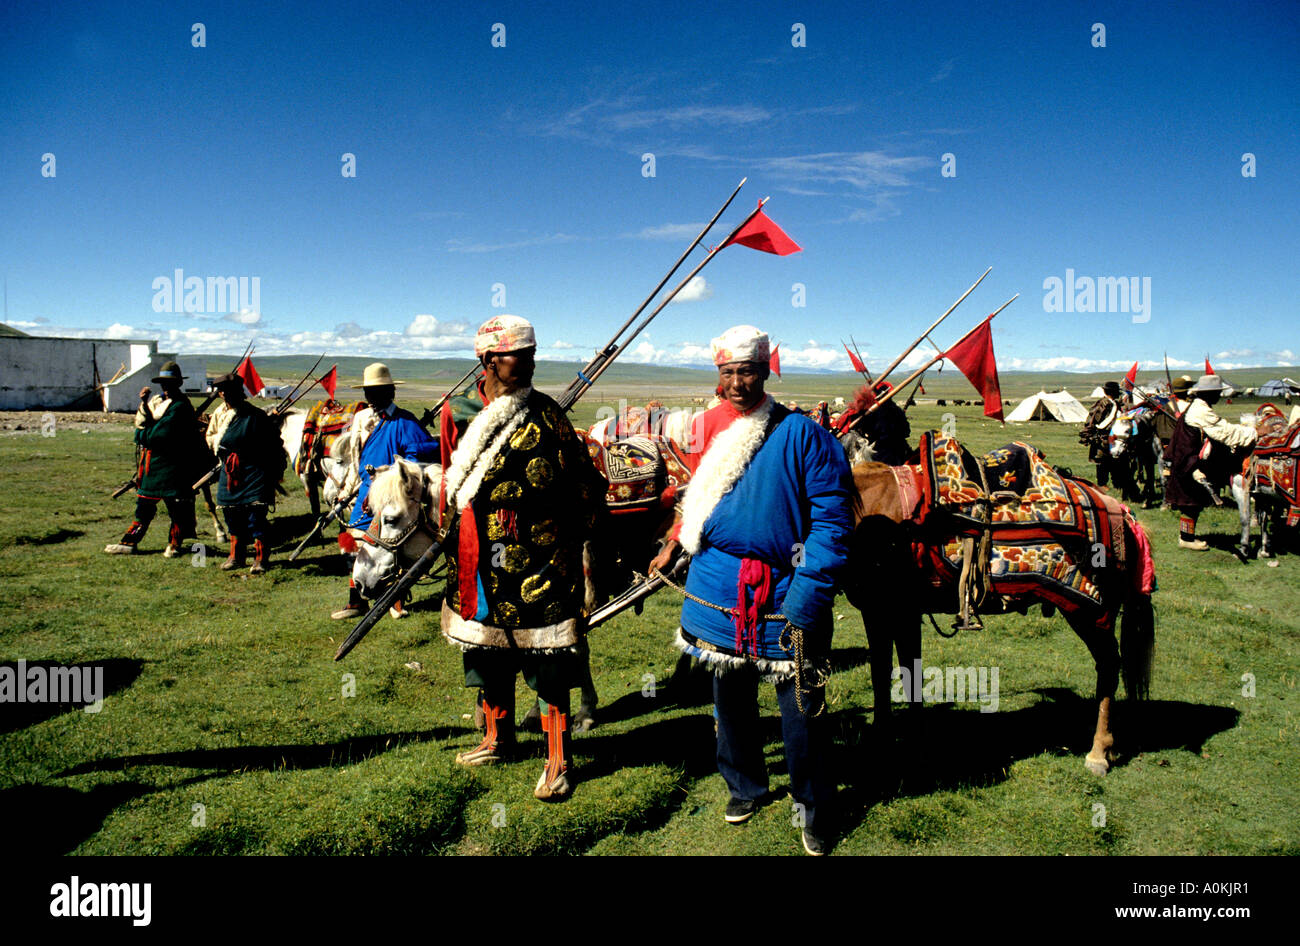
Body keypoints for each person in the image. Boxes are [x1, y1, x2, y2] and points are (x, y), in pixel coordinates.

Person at [649, 324, 854, 855]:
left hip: (788, 584)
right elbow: (700, 497)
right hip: (717, 584)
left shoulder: (802, 434)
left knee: (803, 708)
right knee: (730, 699)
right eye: (727, 373)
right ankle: (744, 786)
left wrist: (810, 593)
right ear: (718, 376)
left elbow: (832, 522)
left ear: (765, 370)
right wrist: (675, 540)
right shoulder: (710, 427)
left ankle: (813, 808)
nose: (737, 382)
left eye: (746, 371)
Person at [440, 315, 606, 801]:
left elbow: (582, 482)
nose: (531, 364)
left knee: (547, 658)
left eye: (533, 355)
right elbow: (452, 478)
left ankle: (558, 761)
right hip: (476, 555)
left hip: (539, 558)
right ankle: (496, 738)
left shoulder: (548, 414)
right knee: (487, 648)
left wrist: (582, 537)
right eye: (521, 356)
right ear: (490, 360)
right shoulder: (462, 411)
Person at [330, 363, 438, 620]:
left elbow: (417, 460)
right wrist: (350, 491)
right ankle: (356, 601)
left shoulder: (405, 423)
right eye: (368, 392)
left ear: (390, 392)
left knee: (391, 546)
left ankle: (395, 599)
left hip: (390, 498)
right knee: (356, 546)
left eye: (377, 391)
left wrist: (390, 472)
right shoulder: (366, 422)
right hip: (366, 495)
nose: (371, 397)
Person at [105, 362, 201, 557]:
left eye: (170, 382)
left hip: (173, 467)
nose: (166, 386)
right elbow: (151, 428)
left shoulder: (180, 407)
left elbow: (157, 436)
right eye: (163, 382)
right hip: (153, 466)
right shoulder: (160, 403)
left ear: (178, 384)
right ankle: (129, 543)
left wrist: (140, 434)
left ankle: (174, 546)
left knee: (177, 511)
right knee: (143, 509)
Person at [1166, 374, 1256, 553]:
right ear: (1210, 393)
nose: (1219, 396)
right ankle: (1186, 539)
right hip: (1189, 462)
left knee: (1192, 503)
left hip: (1186, 460)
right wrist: (1252, 433)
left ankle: (1187, 537)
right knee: (1190, 502)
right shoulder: (1201, 411)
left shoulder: (1199, 407)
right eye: (1217, 393)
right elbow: (1224, 432)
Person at [209, 373, 286, 573]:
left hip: (254, 472)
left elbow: (274, 446)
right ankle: (236, 556)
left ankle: (261, 559)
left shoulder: (256, 416)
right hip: (230, 471)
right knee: (230, 514)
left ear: (239, 392)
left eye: (228, 391)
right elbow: (212, 439)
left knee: (255, 518)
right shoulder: (220, 415)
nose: (225, 394)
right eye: (222, 391)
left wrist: (274, 472)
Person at [1081, 380, 1124, 487]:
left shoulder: (1115, 404)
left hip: (1113, 437)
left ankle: (1116, 482)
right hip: (1103, 437)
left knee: (1114, 462)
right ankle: (1102, 484)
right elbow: (1094, 420)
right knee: (1102, 462)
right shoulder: (1103, 404)